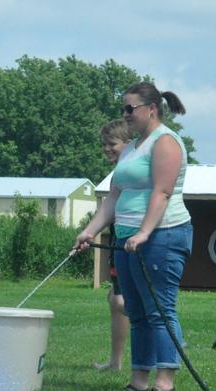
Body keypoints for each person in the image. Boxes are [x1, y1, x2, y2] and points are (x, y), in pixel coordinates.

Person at [74, 82, 191, 391]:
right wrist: (89, 230)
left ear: (150, 109)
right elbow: (114, 196)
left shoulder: (165, 142)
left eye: (130, 109)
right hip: (127, 239)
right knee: (136, 311)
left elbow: (162, 192)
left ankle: (165, 381)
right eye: (123, 109)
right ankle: (139, 379)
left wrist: (144, 232)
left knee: (160, 309)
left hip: (163, 235)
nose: (124, 115)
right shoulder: (131, 147)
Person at [94, 120, 133, 371]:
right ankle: (115, 362)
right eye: (104, 145)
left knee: (120, 301)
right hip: (118, 239)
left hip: (127, 241)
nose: (107, 149)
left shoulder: (129, 171)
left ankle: (167, 338)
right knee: (114, 298)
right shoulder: (118, 172)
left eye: (112, 144)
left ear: (128, 144)